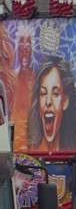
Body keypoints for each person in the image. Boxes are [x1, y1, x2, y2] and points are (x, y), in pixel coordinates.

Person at [26, 56, 76, 154]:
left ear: (65, 101)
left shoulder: (73, 151)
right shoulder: (30, 154)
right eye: (43, 93)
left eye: (55, 93)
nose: (48, 101)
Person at [10, 22, 35, 151]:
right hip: (10, 147)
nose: (24, 53)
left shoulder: (37, 82)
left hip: (32, 148)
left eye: (27, 48)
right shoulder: (11, 79)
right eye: (21, 48)